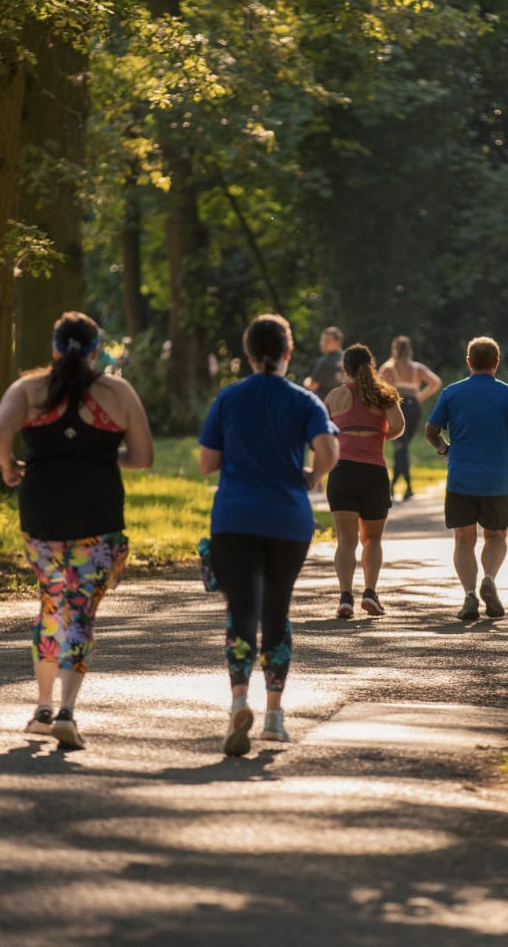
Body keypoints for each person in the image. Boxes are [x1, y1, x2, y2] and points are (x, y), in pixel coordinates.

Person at [0, 311, 154, 752]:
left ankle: (41, 710)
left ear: (54, 350)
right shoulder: (117, 392)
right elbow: (143, 456)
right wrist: (99, 460)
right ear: (97, 351)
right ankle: (66, 713)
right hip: (98, 517)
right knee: (80, 613)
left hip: (41, 515)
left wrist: (9, 466)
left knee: (51, 602)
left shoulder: (29, 389)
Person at [199, 314, 338, 756]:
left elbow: (206, 462)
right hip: (288, 521)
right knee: (277, 612)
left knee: (242, 614)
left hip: (235, 519)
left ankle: (239, 702)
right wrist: (313, 477)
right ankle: (275, 718)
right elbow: (330, 450)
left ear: (248, 353)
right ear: (287, 353)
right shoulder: (304, 401)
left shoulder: (229, 398)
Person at [423, 336, 508, 622]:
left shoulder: (451, 393)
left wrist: (444, 450)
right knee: (496, 536)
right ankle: (489, 577)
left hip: (461, 479)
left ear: (469, 362)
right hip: (497, 479)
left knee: (463, 539)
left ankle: (470, 596)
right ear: (496, 363)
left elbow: (431, 430)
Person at [324, 344, 405, 618]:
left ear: (345, 369)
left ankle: (345, 597)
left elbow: (322, 431)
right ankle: (370, 592)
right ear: (371, 365)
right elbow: (398, 426)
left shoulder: (335, 396)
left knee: (345, 540)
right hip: (373, 474)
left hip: (342, 472)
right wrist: (376, 435)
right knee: (372, 539)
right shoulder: (384, 395)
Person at [378, 336, 443, 501]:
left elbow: (377, 386)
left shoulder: (388, 368)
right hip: (414, 408)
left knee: (400, 446)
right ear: (409, 350)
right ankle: (404, 487)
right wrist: (420, 396)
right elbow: (436, 382)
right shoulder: (417, 368)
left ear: (394, 349)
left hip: (397, 407)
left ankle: (396, 487)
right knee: (403, 446)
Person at [303, 325, 345, 399]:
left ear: (338, 343)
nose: (323, 344)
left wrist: (307, 380)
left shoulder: (325, 362)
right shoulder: (347, 360)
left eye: (327, 341)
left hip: (325, 406)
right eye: (322, 340)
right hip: (344, 405)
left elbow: (312, 386)